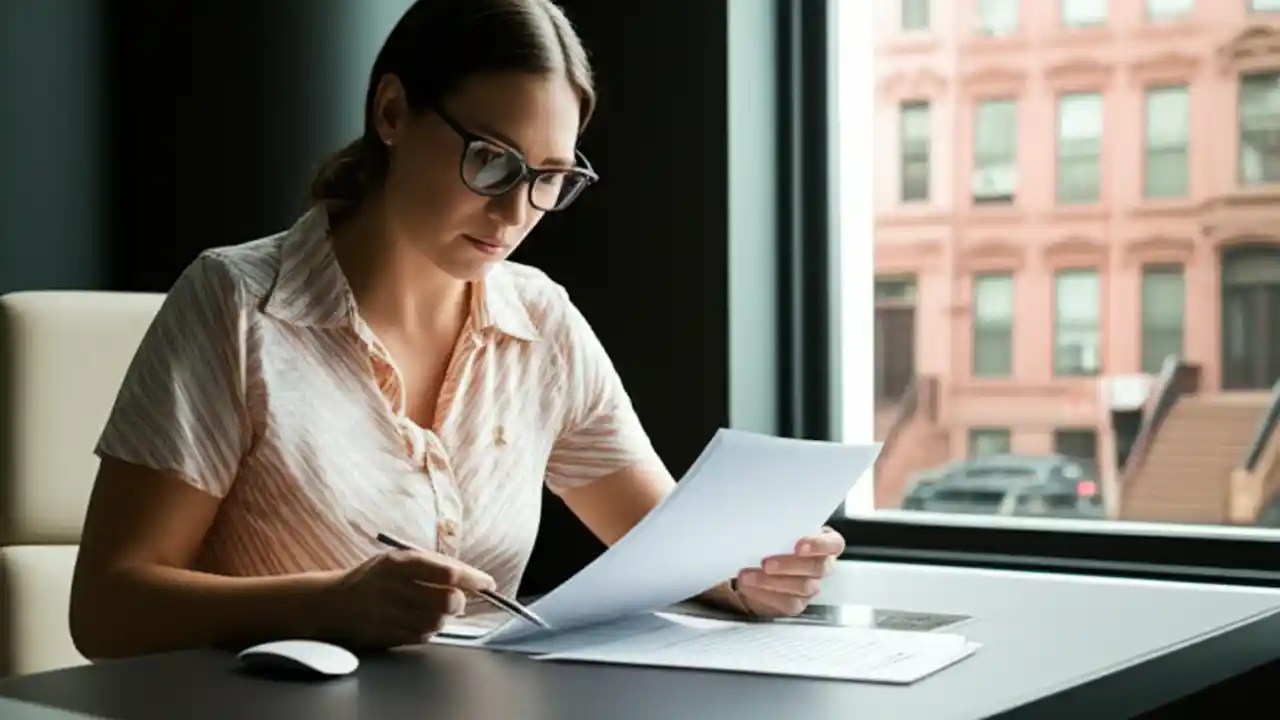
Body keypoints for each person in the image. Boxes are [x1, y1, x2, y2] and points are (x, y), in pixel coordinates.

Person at [69, 0, 845, 659]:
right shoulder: (236, 305)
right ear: (392, 113)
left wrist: (750, 575)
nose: (515, 213)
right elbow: (106, 609)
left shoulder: (540, 323)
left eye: (549, 179)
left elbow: (672, 547)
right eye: (491, 161)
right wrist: (327, 603)